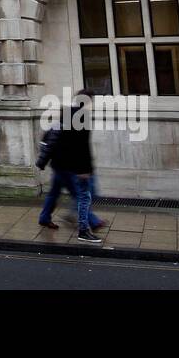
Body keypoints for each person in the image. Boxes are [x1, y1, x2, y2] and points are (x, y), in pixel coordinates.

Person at [47, 92, 106, 244]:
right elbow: (82, 146)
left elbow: (63, 142)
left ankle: (83, 226)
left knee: (79, 197)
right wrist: (85, 169)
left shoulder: (67, 114)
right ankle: (83, 231)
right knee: (84, 198)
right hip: (78, 167)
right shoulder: (82, 116)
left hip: (66, 165)